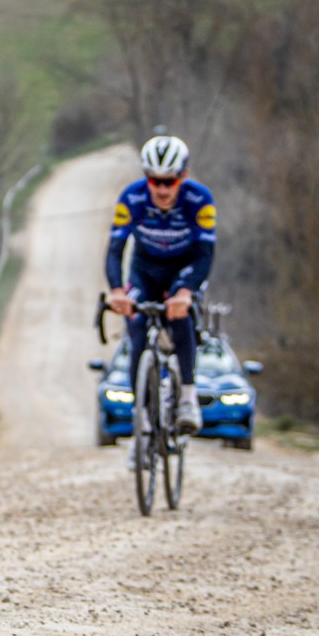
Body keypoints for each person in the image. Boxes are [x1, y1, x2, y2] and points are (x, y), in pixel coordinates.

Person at [105, 135, 216, 466]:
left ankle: (188, 398)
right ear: (146, 177)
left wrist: (186, 291)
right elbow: (115, 249)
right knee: (136, 333)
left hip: (184, 269)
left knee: (181, 318)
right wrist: (116, 290)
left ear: (183, 175)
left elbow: (206, 253)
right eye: (155, 181)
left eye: (170, 181)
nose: (163, 190)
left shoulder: (200, 199)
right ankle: (141, 428)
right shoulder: (131, 198)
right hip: (145, 271)